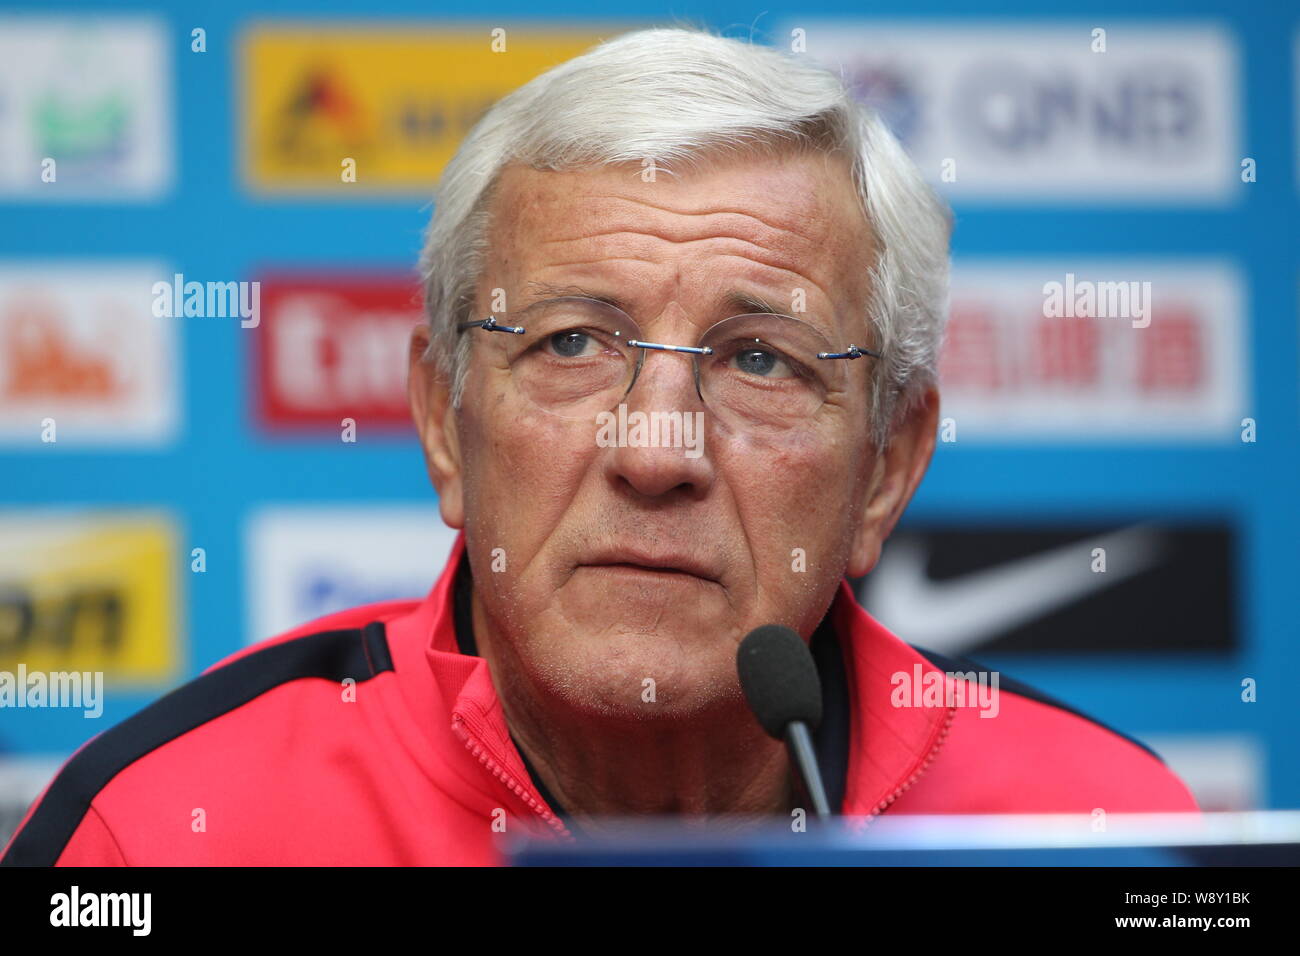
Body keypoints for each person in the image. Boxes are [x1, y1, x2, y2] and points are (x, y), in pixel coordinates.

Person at [1, 27, 1196, 867]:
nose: (657, 449)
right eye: (573, 341)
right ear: (442, 421)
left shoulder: (1093, 825)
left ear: (885, 462)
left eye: (759, 358)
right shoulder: (158, 831)